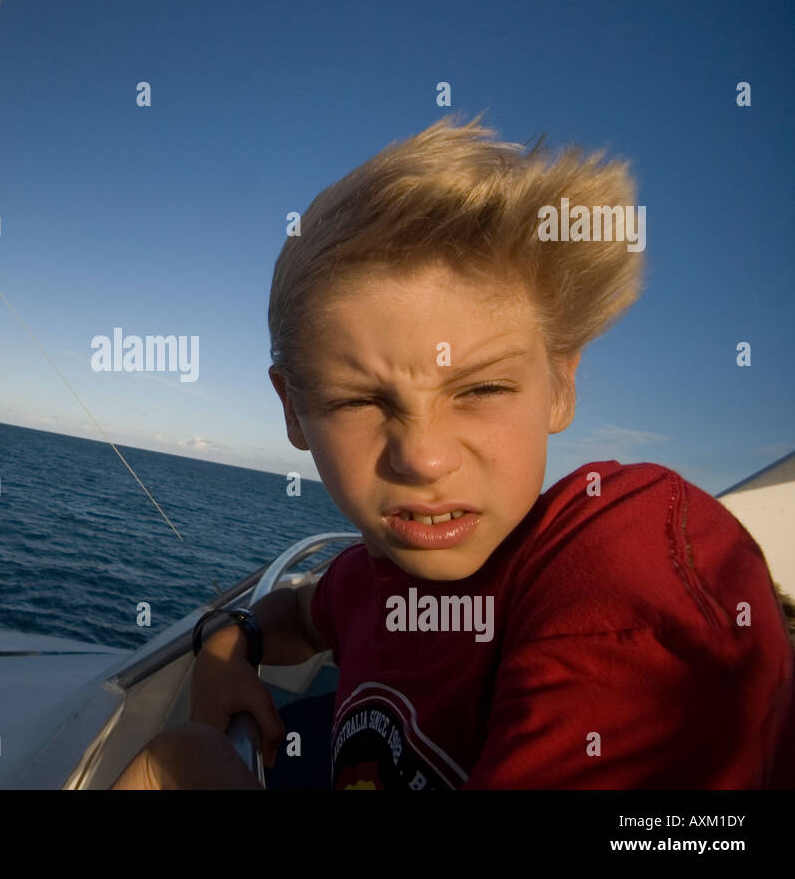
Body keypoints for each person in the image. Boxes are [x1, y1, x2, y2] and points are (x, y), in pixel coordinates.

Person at [111, 113, 795, 789]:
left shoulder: (622, 558)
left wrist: (179, 765)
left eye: (483, 388)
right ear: (294, 409)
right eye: (358, 402)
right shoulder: (375, 579)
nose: (424, 460)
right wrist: (230, 644)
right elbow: (296, 612)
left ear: (560, 383)